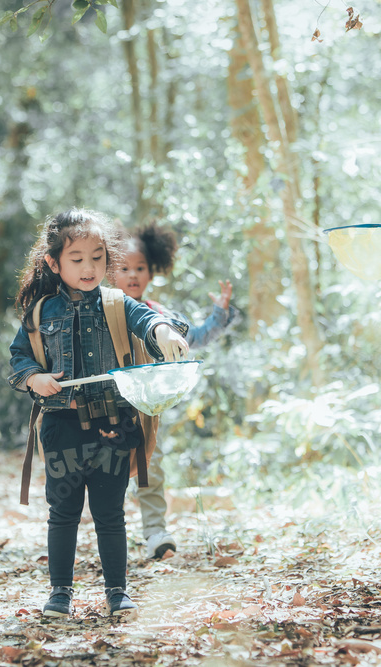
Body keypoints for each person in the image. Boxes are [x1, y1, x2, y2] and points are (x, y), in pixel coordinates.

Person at [8, 209, 188, 619]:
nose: (89, 267)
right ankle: (59, 593)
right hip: (60, 428)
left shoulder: (116, 302)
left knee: (110, 513)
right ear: (54, 263)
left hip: (113, 427)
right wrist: (34, 378)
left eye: (97, 257)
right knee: (63, 512)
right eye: (77, 259)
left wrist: (162, 330)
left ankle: (117, 591)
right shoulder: (40, 313)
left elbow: (146, 319)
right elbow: (18, 359)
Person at [112, 221, 236, 559]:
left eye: (140, 268)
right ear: (109, 272)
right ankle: (110, 536)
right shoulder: (101, 313)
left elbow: (193, 338)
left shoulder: (160, 315)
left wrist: (219, 314)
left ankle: (155, 532)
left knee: (151, 468)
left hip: (146, 413)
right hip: (104, 411)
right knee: (107, 477)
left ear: (152, 273)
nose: (132, 275)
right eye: (123, 268)